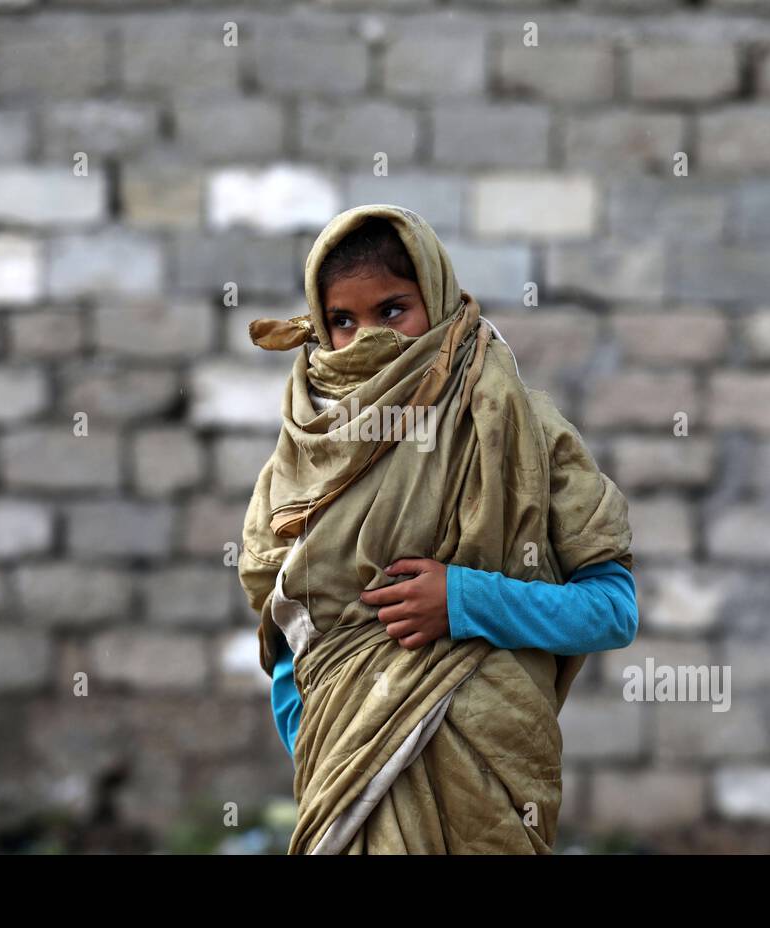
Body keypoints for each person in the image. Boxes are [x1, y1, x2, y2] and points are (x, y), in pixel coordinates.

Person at [239, 204, 636, 854]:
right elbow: (291, 637)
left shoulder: (520, 427)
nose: (367, 338)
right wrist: (317, 739)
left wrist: (464, 600)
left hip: (488, 788)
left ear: (439, 296)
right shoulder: (309, 453)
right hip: (347, 779)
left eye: (393, 310)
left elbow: (611, 611)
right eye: (342, 321)